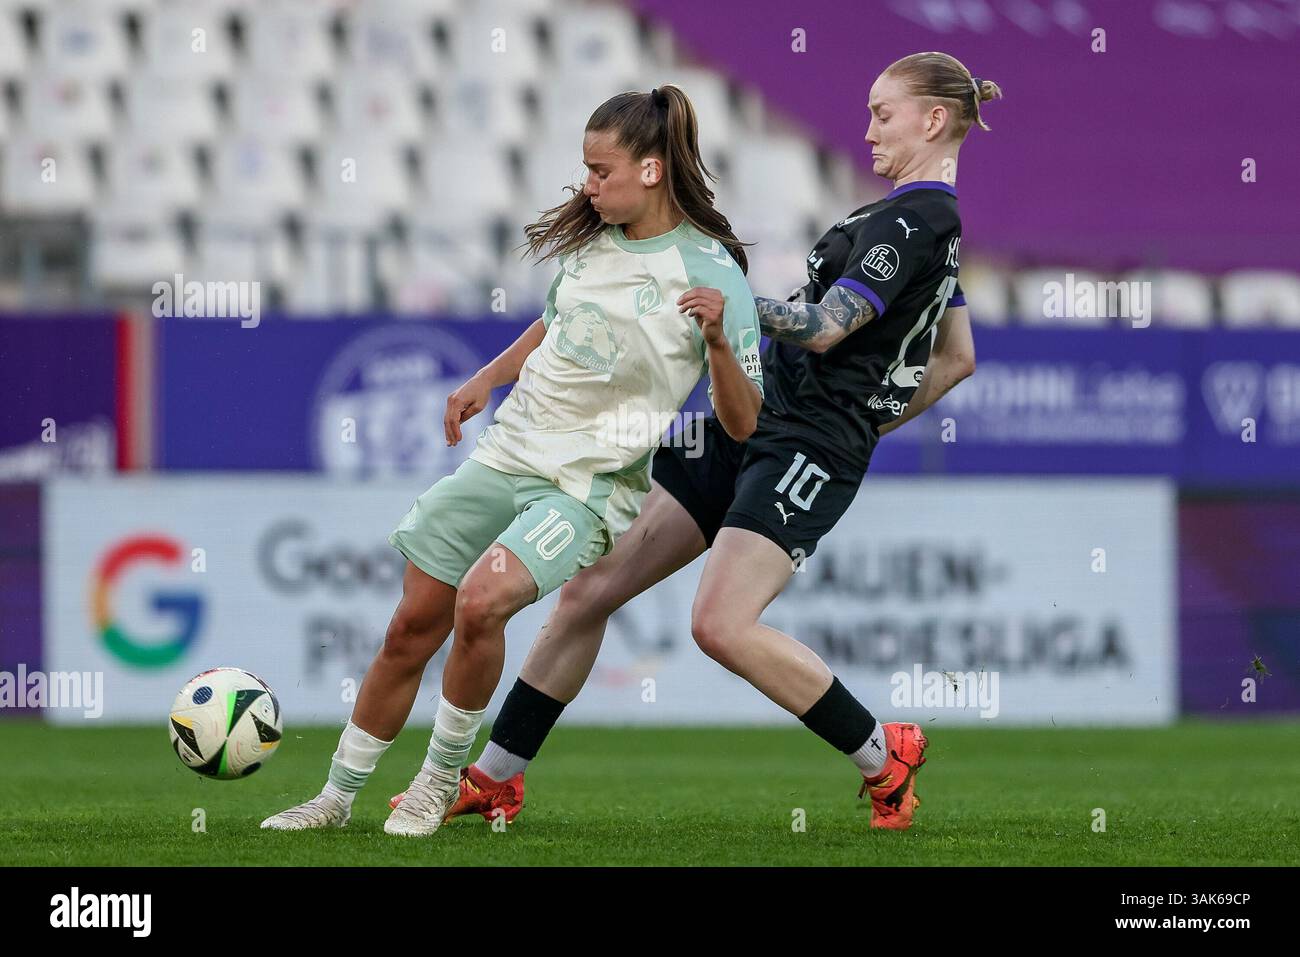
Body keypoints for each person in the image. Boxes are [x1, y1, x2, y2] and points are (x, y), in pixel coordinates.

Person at [411, 52, 999, 832]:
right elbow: (957, 358)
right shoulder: (899, 222)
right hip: (755, 415)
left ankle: (883, 754)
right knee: (589, 588)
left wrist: (802, 378)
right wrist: (874, 416)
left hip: (806, 442)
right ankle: (493, 777)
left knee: (719, 623)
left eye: (882, 114)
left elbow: (828, 328)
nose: (867, 130)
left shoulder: (917, 221)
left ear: (932, 121)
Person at [261, 84, 765, 835]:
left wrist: (720, 343)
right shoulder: (594, 247)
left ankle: (438, 782)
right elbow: (553, 324)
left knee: (481, 602)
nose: (587, 188)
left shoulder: (712, 271)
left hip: (587, 487)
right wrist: (484, 379)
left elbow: (744, 419)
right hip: (507, 455)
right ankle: (334, 798)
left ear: (653, 171)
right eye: (585, 171)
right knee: (410, 625)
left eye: (601, 171)